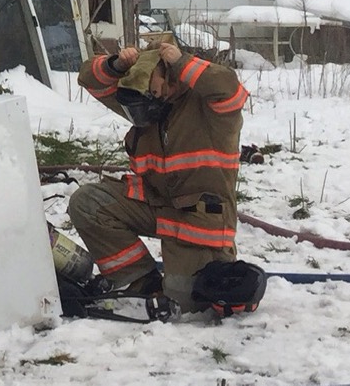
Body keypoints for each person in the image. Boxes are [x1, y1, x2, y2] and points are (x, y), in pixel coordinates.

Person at [68, 38, 250, 312]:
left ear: (171, 77)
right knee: (88, 203)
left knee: (186, 304)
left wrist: (181, 62)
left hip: (197, 224)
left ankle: (204, 269)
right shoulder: (146, 102)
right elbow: (89, 78)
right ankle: (140, 279)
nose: (142, 107)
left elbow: (228, 86)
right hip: (158, 206)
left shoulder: (209, 108)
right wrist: (115, 65)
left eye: (154, 90)